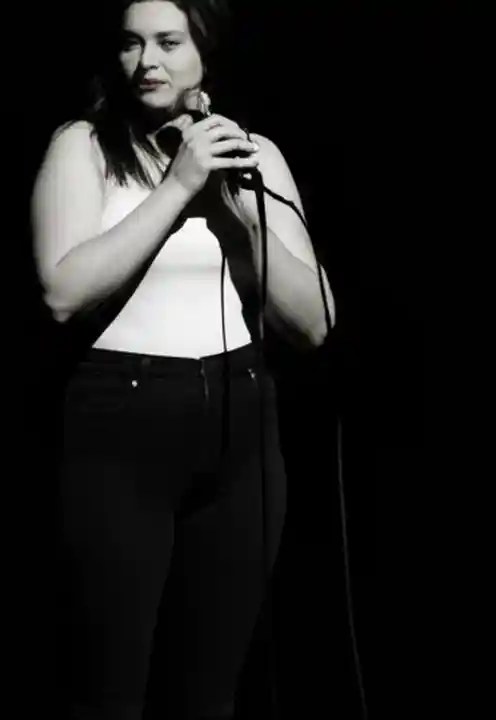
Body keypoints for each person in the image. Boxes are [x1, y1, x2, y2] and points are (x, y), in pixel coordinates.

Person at [30, 1, 334, 718]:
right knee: (110, 686)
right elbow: (61, 293)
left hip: (240, 420)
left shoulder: (255, 154)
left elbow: (315, 324)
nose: (147, 61)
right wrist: (177, 186)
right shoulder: (84, 145)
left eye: (168, 42)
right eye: (131, 43)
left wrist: (242, 212)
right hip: (121, 423)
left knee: (209, 690)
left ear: (205, 51)